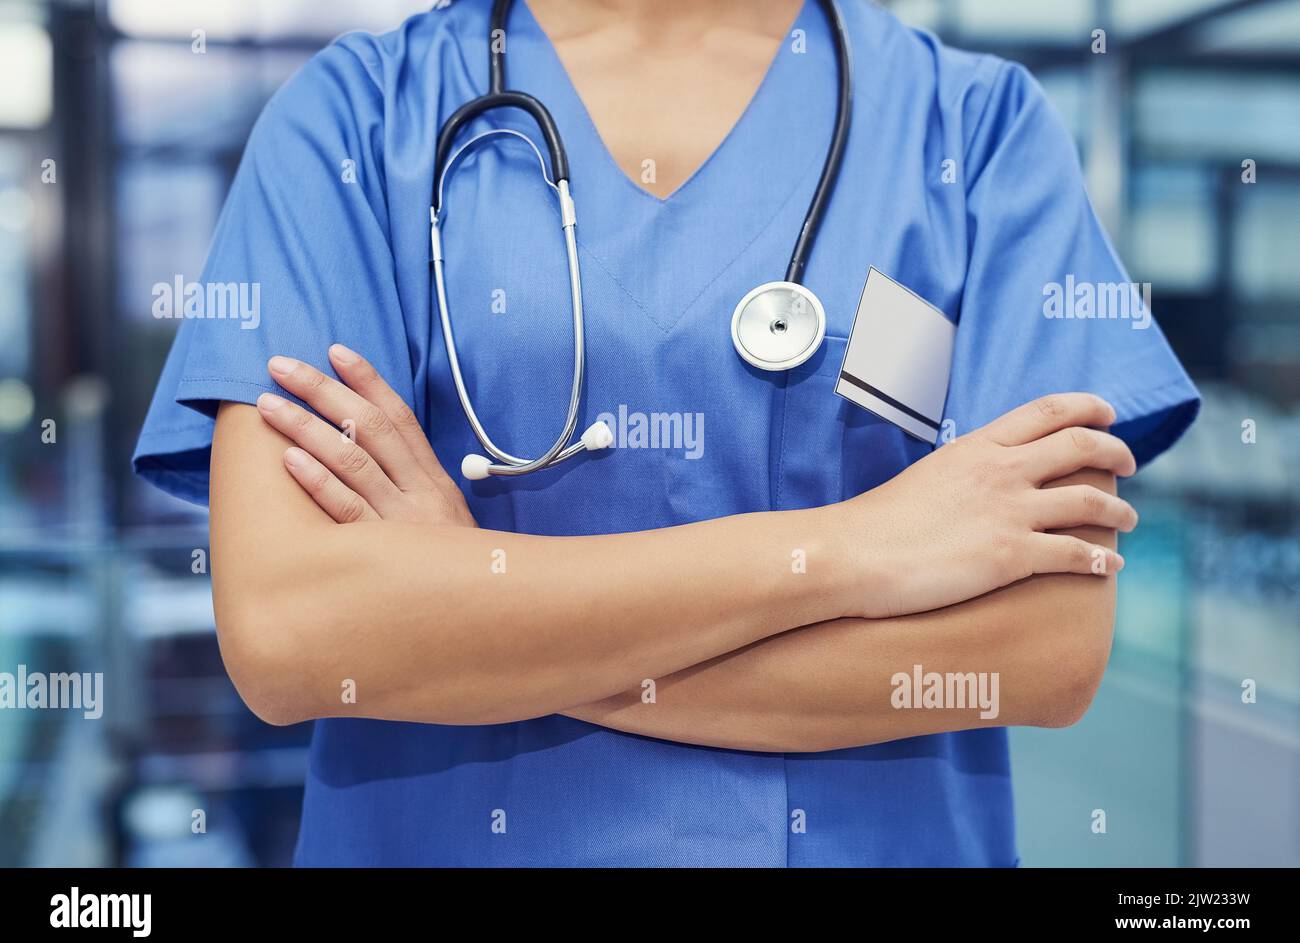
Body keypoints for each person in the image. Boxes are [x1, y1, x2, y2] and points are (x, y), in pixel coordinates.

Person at [133, 0, 1199, 866]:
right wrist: (854, 550)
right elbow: (294, 638)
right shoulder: (356, 122)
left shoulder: (973, 131)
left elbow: (1038, 655)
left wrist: (467, 618)